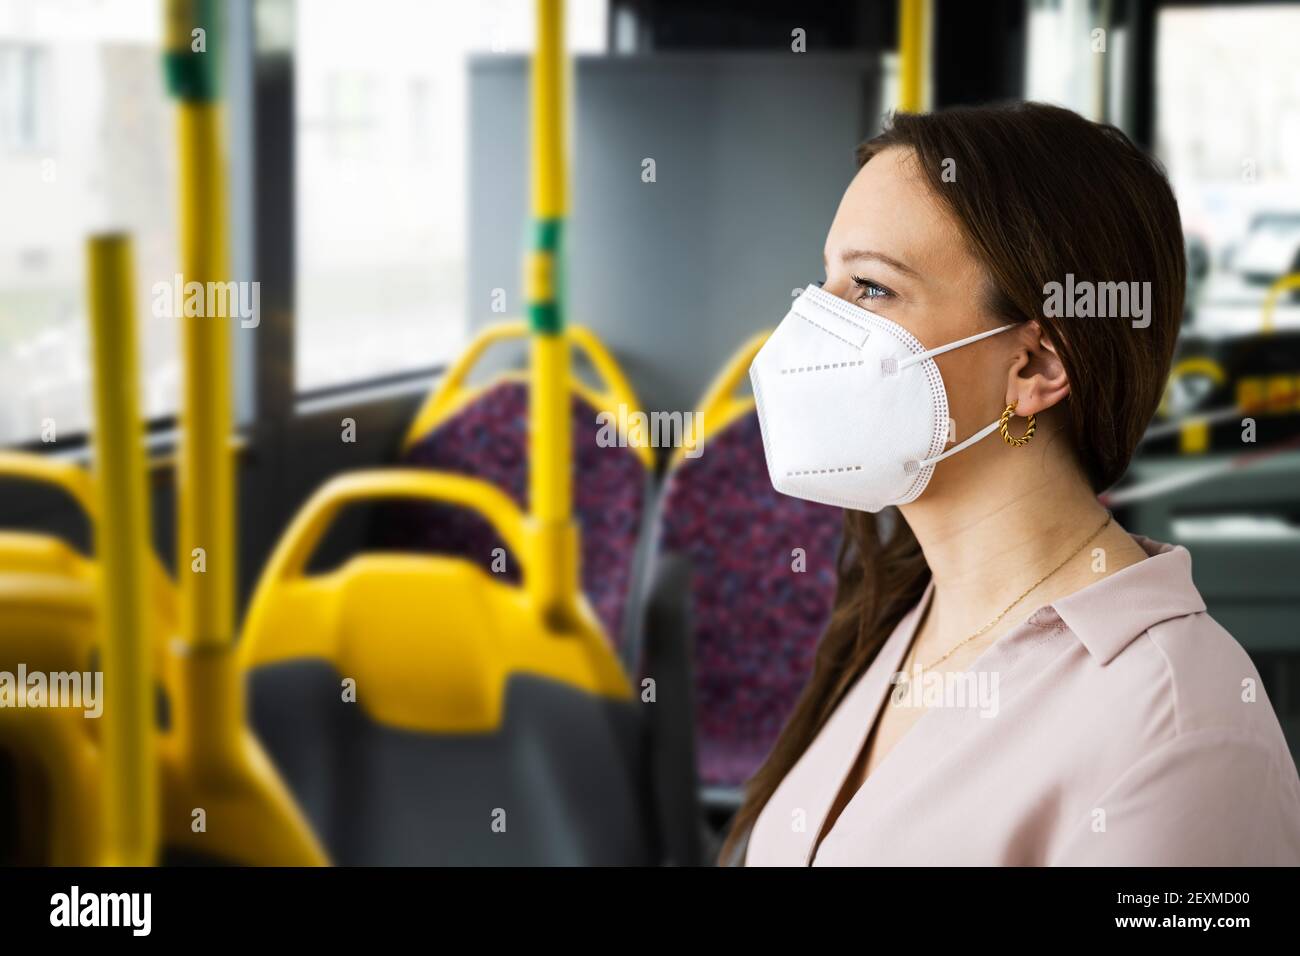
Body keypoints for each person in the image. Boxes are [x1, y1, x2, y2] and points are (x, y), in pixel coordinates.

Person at [729, 102, 1300, 866]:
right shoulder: (904, 615)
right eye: (824, 279)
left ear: (1037, 367)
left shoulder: (1180, 725)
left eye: (870, 288)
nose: (805, 329)